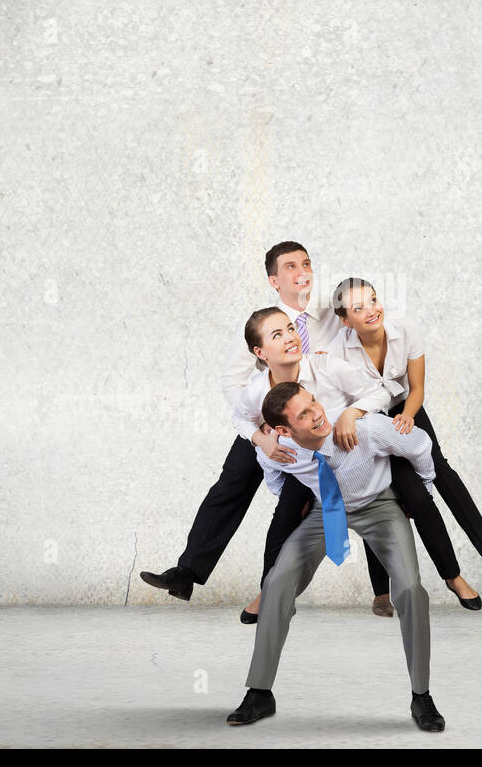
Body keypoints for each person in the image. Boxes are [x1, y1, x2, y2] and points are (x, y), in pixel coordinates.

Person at [226, 381, 446, 732]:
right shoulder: (278, 447)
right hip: (325, 512)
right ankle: (260, 692)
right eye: (304, 413)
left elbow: (420, 444)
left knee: (410, 588)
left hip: (379, 506)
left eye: (313, 402)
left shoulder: (364, 429)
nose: (317, 414)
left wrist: (422, 491)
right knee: (277, 582)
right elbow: (274, 478)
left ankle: (422, 696)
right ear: (284, 430)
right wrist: (296, 502)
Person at [237, 309, 481, 620]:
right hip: (312, 461)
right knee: (284, 516)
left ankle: (452, 576)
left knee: (418, 500)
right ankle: (270, 593)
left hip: (361, 447)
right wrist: (262, 440)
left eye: (289, 329)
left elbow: (377, 393)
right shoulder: (257, 391)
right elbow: (240, 420)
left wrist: (352, 414)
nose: (289, 337)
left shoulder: (325, 366)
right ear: (260, 353)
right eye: (277, 335)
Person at [138, 241, 339, 602]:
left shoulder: (330, 317)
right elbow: (233, 382)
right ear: (274, 281)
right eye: (290, 267)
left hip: (315, 428)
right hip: (266, 423)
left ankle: (275, 593)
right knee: (230, 486)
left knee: (295, 507)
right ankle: (186, 572)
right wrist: (259, 431)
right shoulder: (262, 323)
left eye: (306, 263)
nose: (301, 271)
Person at [328, 277, 482, 607]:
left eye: (373, 300)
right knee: (405, 496)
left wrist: (409, 416)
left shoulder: (405, 330)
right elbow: (348, 399)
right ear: (345, 320)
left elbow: (416, 388)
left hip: (405, 406)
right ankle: (451, 577)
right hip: (367, 419)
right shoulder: (338, 351)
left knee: (441, 469)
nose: (372, 310)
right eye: (358, 308)